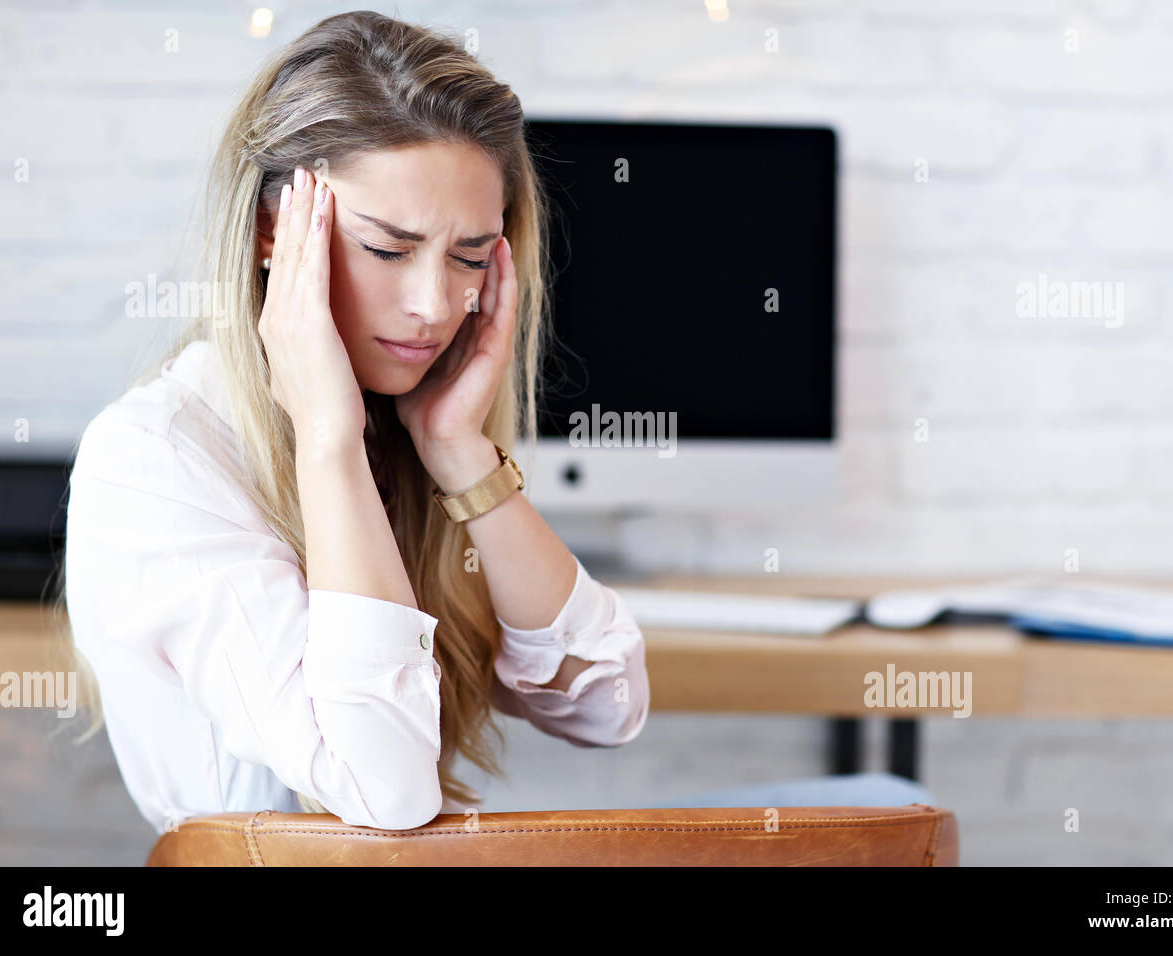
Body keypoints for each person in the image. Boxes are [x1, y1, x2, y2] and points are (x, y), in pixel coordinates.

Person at [56, 11, 932, 836]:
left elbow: (607, 706)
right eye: (388, 249)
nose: (434, 304)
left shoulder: (395, 426)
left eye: (470, 256)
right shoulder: (156, 460)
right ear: (269, 229)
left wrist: (460, 454)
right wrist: (325, 440)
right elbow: (385, 791)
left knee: (884, 807)